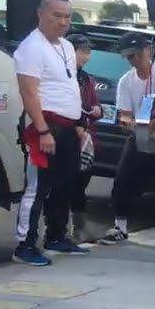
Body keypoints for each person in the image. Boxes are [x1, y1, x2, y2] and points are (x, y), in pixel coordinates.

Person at [13, 0, 89, 265]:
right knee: (38, 187)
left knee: (65, 183)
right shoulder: (31, 48)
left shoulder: (67, 47)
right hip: (45, 125)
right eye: (56, 15)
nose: (62, 22)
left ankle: (56, 236)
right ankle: (24, 244)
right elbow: (29, 93)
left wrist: (80, 123)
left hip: (68, 126)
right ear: (40, 14)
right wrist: (43, 131)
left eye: (67, 17)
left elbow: (68, 86)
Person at [98, 33, 155, 246]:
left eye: (138, 54)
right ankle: (120, 226)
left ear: (149, 51)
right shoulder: (125, 81)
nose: (136, 60)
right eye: (130, 57)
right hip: (142, 133)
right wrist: (132, 124)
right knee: (123, 178)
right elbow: (124, 114)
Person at [68, 34, 101, 243]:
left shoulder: (86, 78)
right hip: (67, 137)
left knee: (80, 184)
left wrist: (97, 110)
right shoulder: (63, 76)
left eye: (88, 52)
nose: (86, 56)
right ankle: (61, 230)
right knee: (64, 186)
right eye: (83, 51)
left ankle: (78, 228)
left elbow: (94, 106)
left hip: (86, 139)